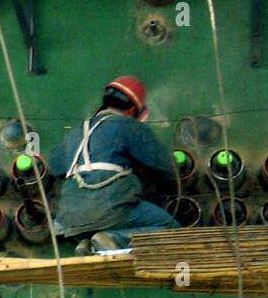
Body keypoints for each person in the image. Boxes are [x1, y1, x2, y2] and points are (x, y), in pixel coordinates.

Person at [46, 75, 180, 252]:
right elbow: (166, 165)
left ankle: (89, 244)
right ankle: (114, 239)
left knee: (100, 233)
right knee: (173, 230)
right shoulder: (128, 125)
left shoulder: (75, 132)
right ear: (132, 110)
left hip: (71, 220)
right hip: (112, 210)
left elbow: (55, 166)